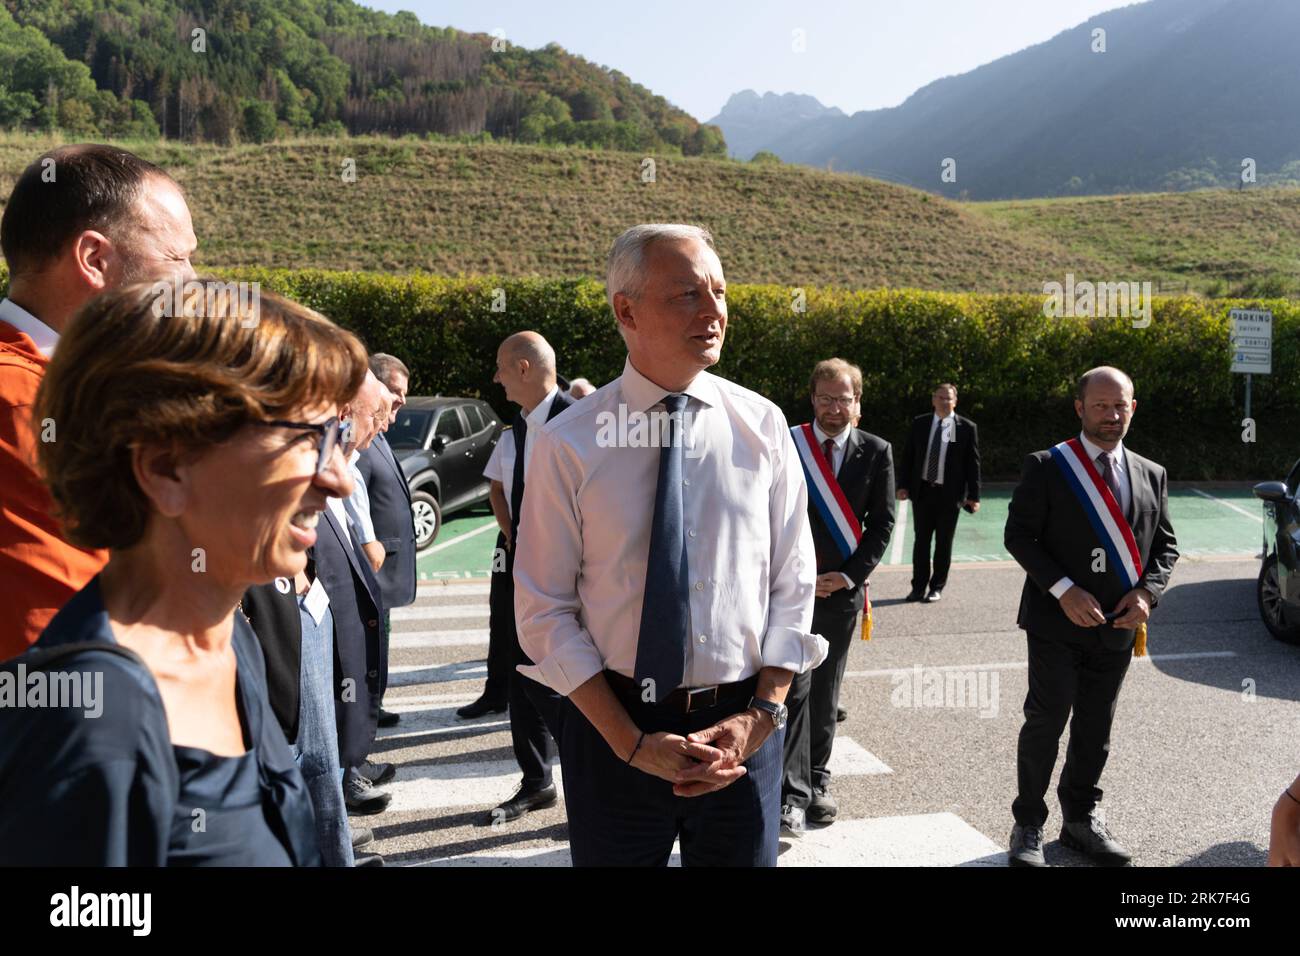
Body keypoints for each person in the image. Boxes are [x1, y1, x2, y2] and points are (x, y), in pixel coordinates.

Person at [0, 281, 367, 864]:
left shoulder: (227, 636)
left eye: (339, 437)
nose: (340, 479)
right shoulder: (89, 721)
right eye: (307, 439)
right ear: (165, 467)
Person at [514, 223, 827, 867]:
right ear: (625, 310)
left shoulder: (762, 425)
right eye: (688, 294)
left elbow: (793, 585)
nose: (714, 311)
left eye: (719, 291)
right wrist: (631, 743)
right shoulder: (569, 441)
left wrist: (760, 718)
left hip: (743, 732)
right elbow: (543, 608)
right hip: (613, 736)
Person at [0, 144, 197, 656]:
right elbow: (83, 643)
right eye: (178, 258)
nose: (193, 281)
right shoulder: (29, 404)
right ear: (94, 258)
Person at [1003, 366, 1178, 867]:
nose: (1111, 415)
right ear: (1080, 408)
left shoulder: (1151, 473)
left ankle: (1080, 820)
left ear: (1133, 408)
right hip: (1056, 624)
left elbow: (1165, 546)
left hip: (1120, 627)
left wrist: (1148, 593)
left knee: (1096, 728)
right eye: (1100, 406)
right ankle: (1028, 824)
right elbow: (1020, 536)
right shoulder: (1048, 465)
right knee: (1047, 720)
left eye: (1120, 405)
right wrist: (1063, 590)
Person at [781, 359, 894, 833]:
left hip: (840, 592)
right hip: (788, 587)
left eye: (842, 399)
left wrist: (847, 577)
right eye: (825, 398)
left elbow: (882, 524)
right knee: (787, 685)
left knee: (825, 688)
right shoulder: (789, 442)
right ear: (813, 399)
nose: (833, 407)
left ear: (857, 403)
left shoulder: (877, 450)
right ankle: (790, 793)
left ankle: (819, 779)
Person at [477, 331, 572, 823]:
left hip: (573, 582)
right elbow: (499, 489)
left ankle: (591, 794)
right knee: (521, 675)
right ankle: (536, 782)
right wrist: (515, 538)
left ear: (523, 368)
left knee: (571, 684)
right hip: (523, 573)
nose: (495, 378)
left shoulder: (581, 422)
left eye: (499, 367)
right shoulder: (515, 430)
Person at [318, 371, 395, 814]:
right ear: (346, 412)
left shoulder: (344, 462)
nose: (382, 425)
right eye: (376, 414)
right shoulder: (324, 462)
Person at [358, 353, 417, 730]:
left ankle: (372, 706)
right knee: (368, 647)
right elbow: (355, 503)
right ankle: (365, 712)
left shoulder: (378, 435)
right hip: (373, 566)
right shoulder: (362, 441)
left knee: (379, 643)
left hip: (385, 565)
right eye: (396, 391)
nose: (401, 401)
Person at [896, 383, 980, 602]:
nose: (944, 402)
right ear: (933, 399)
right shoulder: (920, 424)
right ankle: (918, 587)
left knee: (944, 543)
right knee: (921, 542)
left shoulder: (963, 427)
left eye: (948, 398)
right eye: (940, 397)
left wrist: (974, 495)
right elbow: (908, 456)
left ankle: (937, 587)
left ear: (955, 401)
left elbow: (972, 464)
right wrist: (902, 485)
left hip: (949, 496)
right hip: (923, 492)